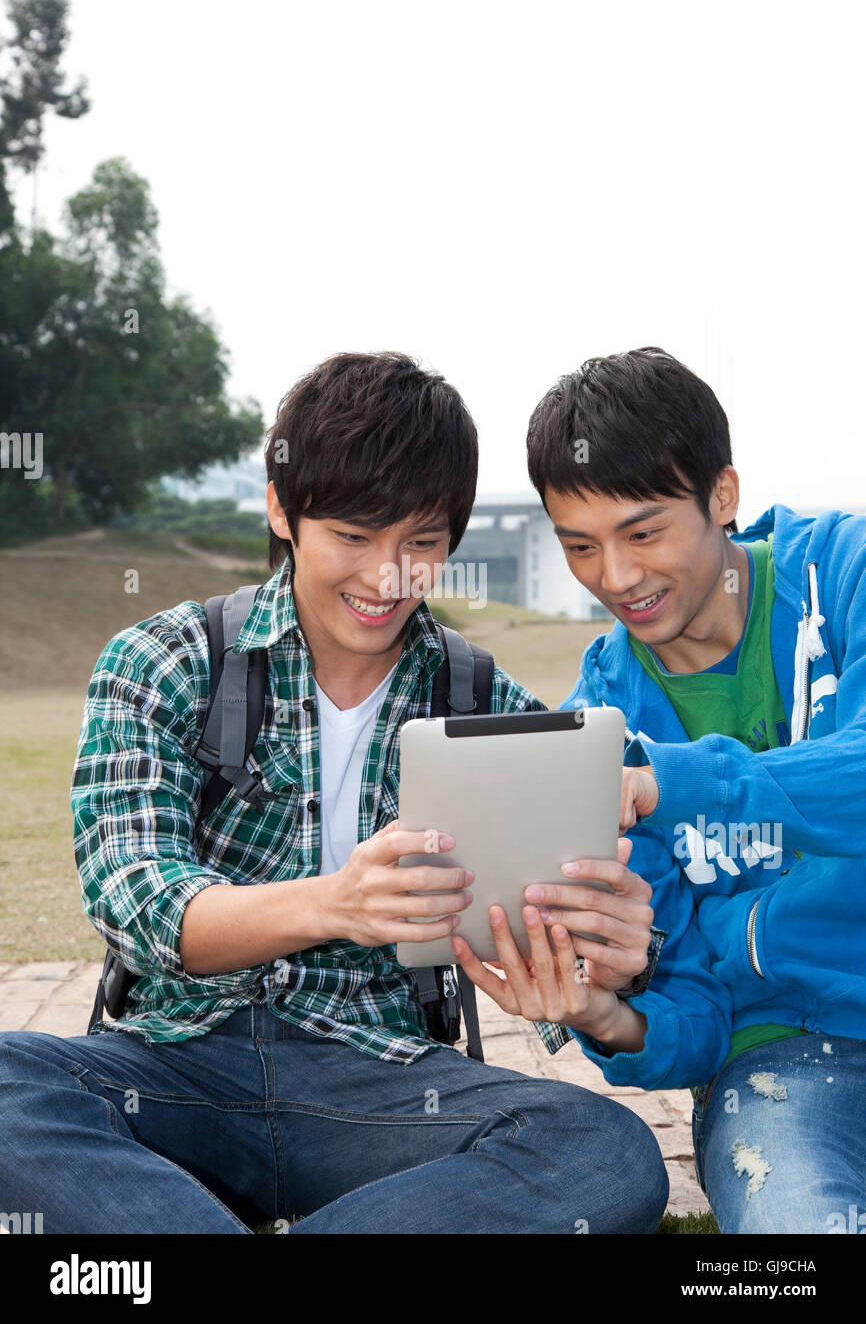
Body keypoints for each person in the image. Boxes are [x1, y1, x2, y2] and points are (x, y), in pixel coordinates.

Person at [0, 351, 680, 1235]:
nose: (388, 577)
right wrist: (339, 904)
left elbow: (583, 935)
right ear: (283, 510)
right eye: (354, 538)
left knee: (603, 1152)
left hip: (386, 1086)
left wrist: (614, 950)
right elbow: (135, 900)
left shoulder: (484, 703)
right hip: (174, 1070)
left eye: (423, 543)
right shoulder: (162, 661)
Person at [523, 345, 866, 1234]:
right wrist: (609, 1015)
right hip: (786, 1060)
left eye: (642, 533)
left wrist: (676, 782)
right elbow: (699, 1014)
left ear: (722, 496)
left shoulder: (848, 572)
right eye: (579, 546)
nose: (616, 577)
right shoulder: (594, 729)